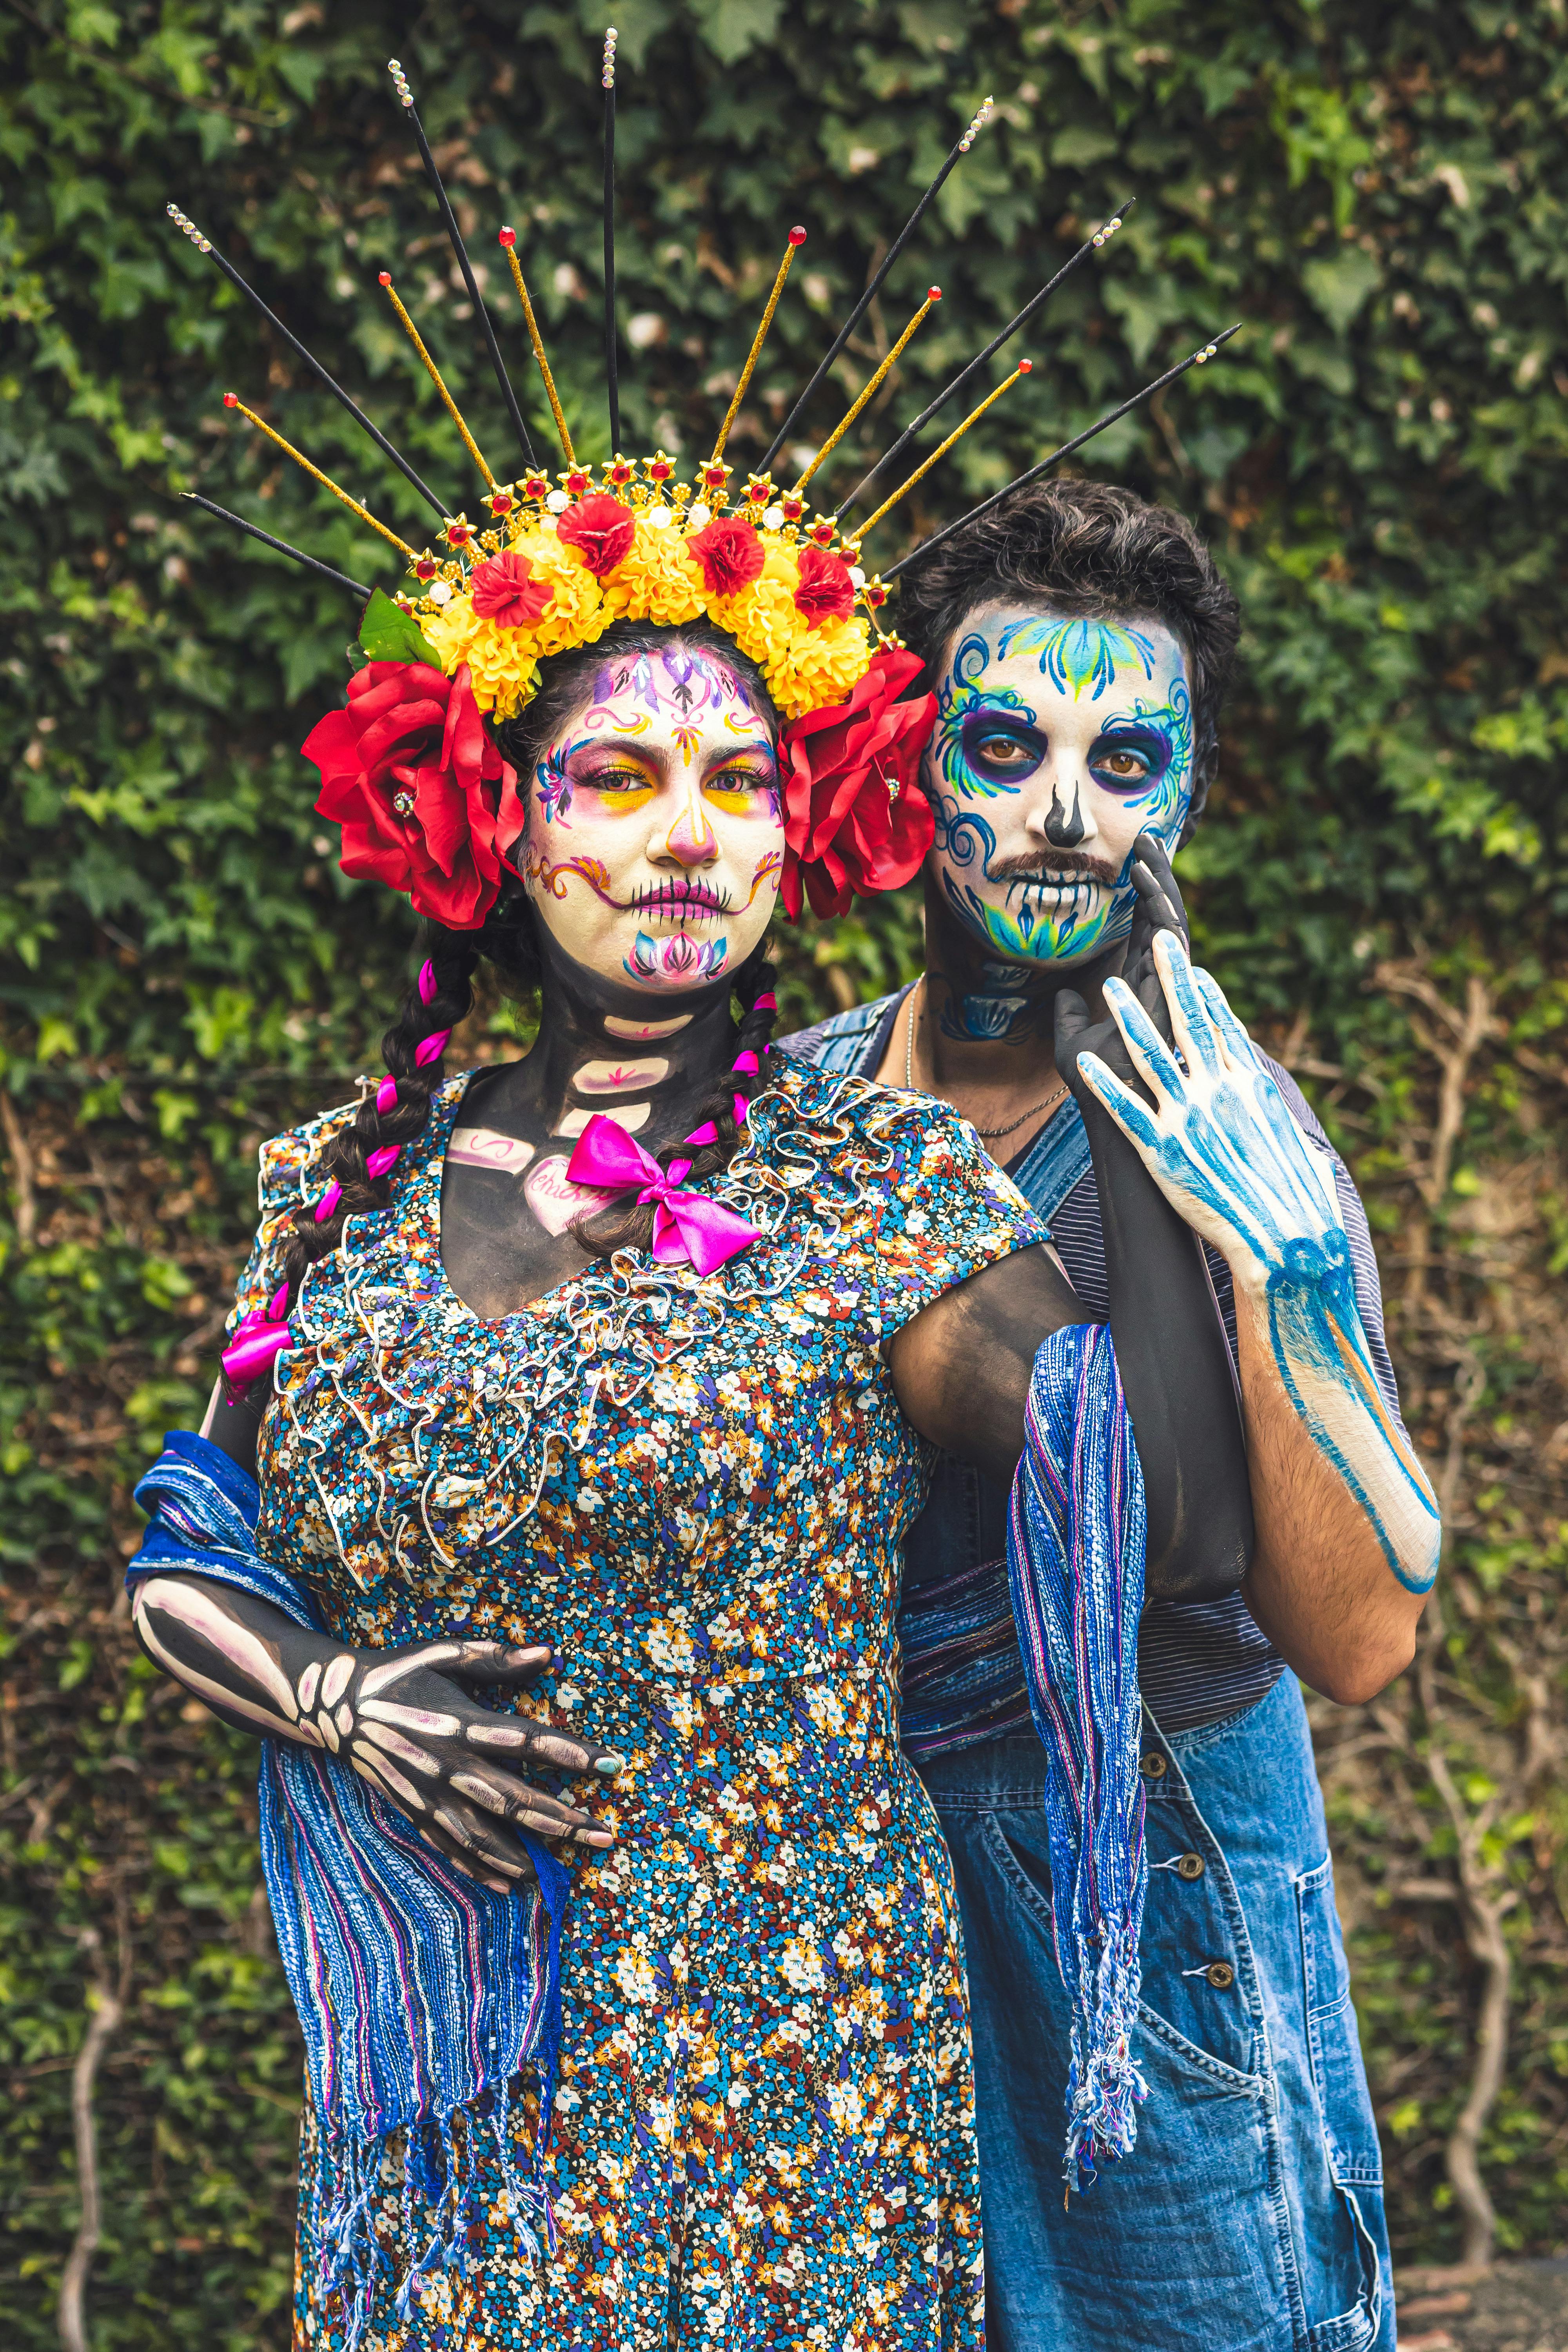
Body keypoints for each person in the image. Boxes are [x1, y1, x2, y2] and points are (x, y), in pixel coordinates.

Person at [123, 362, 1258, 2352]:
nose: (686, 836)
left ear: (798, 826)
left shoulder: (865, 1185)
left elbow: (1138, 1492)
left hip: (786, 2072)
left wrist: (1113, 1017)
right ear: (493, 809)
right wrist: (342, 1703)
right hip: (452, 2079)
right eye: (617, 777)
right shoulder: (341, 1188)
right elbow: (185, 1547)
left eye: (738, 781)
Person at [784, 476, 1442, 2352]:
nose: (1066, 813)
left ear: (1187, 800)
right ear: (912, 769)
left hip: (1155, 1928)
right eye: (1004, 744)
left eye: (1126, 757)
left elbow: (1367, 1635)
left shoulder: (1230, 1132)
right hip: (846, 1931)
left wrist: (1282, 1266)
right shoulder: (788, 1111)